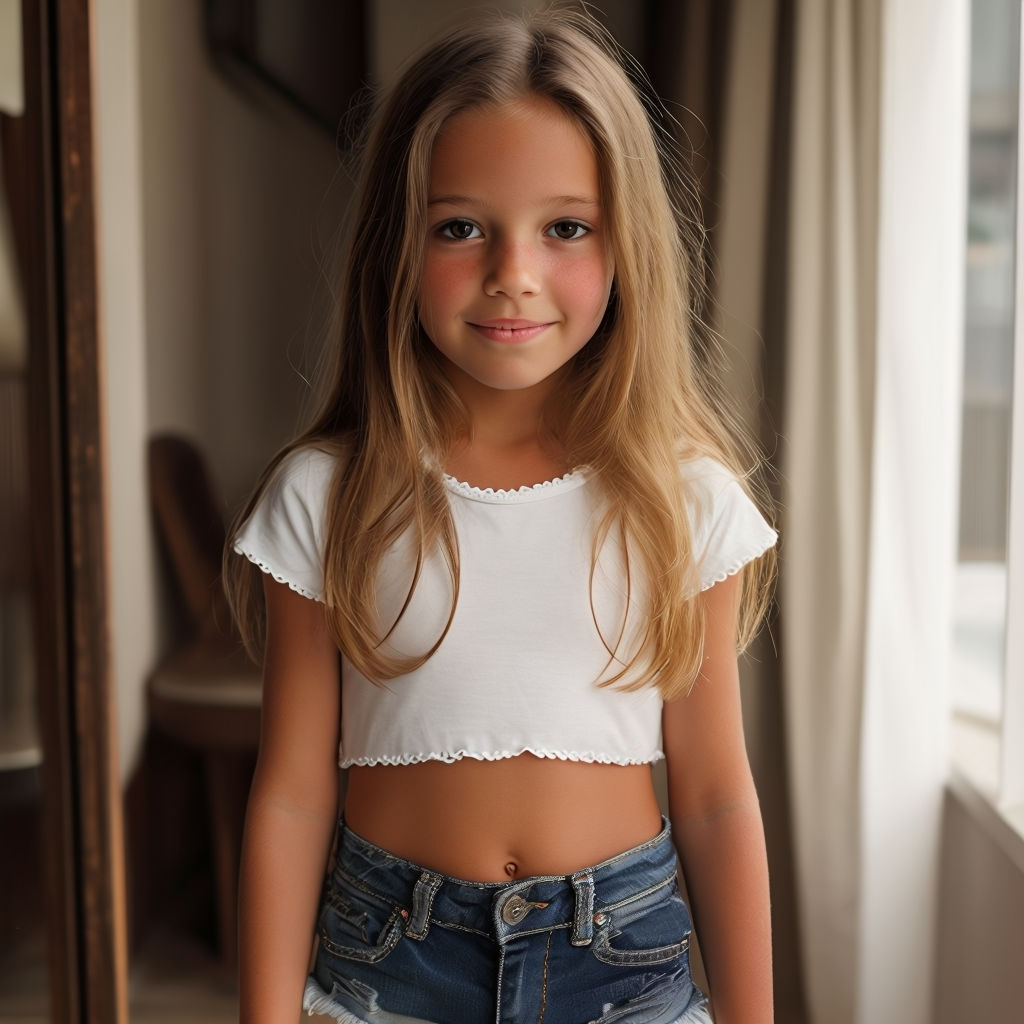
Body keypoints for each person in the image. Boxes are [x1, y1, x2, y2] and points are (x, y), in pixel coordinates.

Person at [226, 8, 777, 1024]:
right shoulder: (325, 496)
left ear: (626, 248)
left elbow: (713, 793)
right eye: (460, 226)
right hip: (387, 964)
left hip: (625, 967)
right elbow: (293, 792)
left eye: (564, 227)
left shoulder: (684, 498)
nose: (511, 271)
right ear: (401, 242)